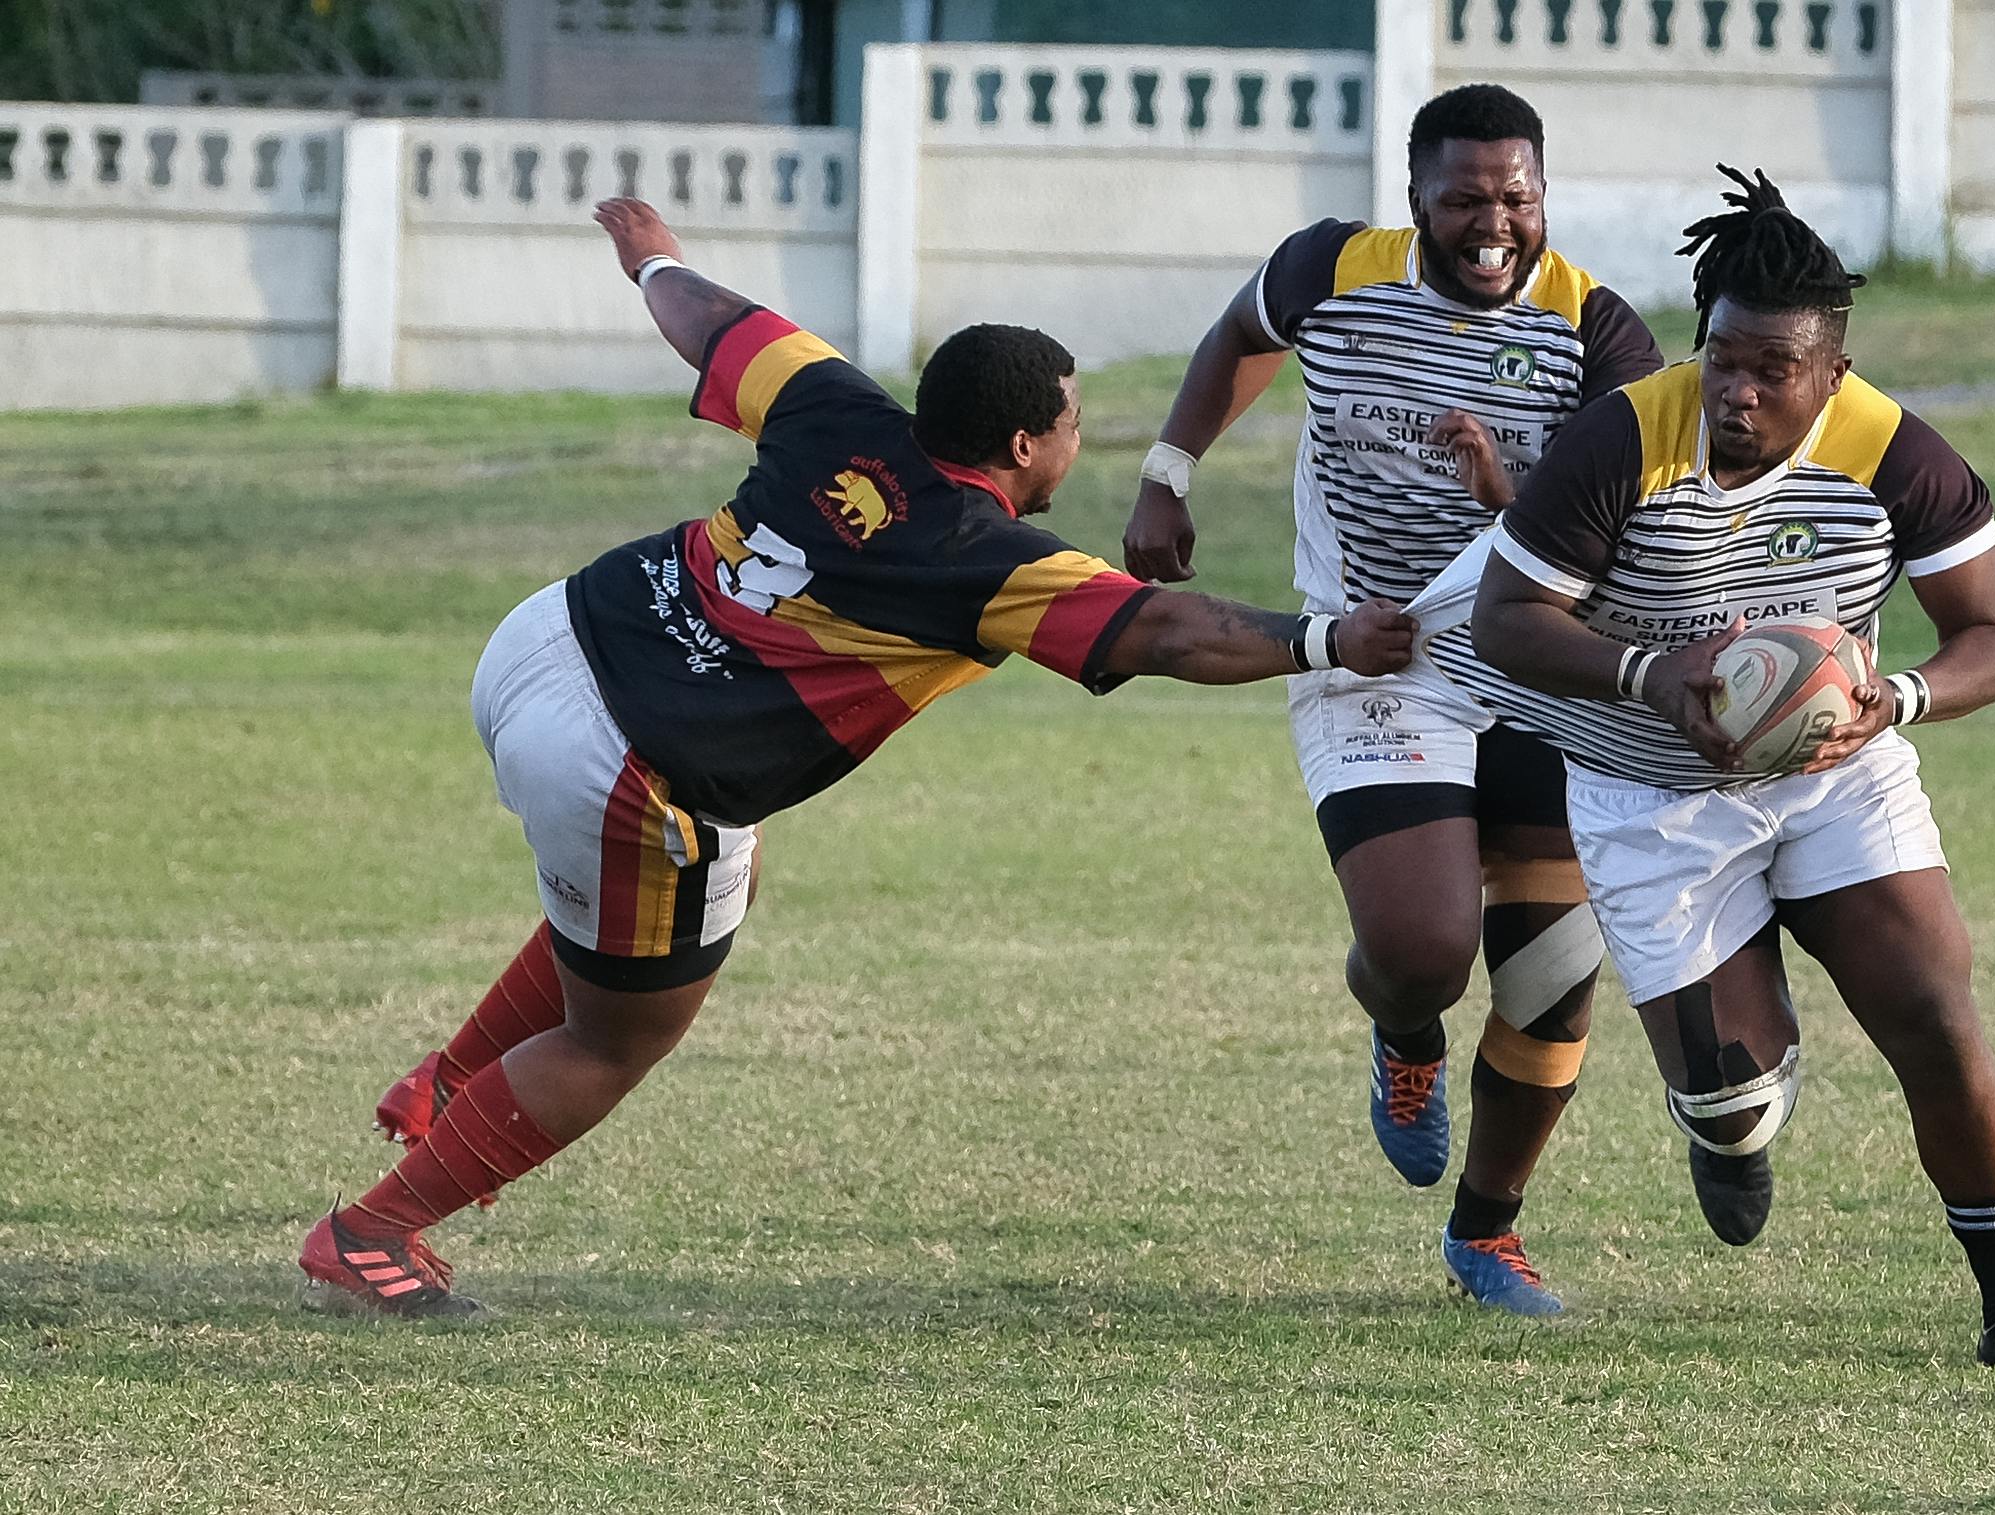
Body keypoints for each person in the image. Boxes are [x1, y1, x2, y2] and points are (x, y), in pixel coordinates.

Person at [298, 197, 1417, 1318]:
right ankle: (374, 1231)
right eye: (1077, 420)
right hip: (627, 763)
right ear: (1029, 446)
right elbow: (1172, 631)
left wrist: (649, 259)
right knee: (616, 1036)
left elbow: (713, 320)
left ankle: (449, 1087)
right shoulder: (993, 558)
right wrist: (1324, 640)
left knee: (694, 886)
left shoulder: (834, 401)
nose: (1083, 437)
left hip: (549, 635)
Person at [1444, 167, 1995, 1369]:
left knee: (1933, 1013)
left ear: (1834, 372)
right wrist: (1658, 678)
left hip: (1832, 777)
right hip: (1650, 795)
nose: (1740, 392)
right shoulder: (1623, 438)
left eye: (1775, 370)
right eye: (1724, 359)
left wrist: (1893, 698)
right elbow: (1506, 621)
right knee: (1734, 1099)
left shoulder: (1897, 455)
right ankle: (1728, 1125)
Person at [1121, 84, 1665, 1316]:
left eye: (1517, 198)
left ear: (1545, 197)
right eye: (1465, 197)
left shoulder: (1600, 332)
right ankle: (1405, 1037)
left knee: (1551, 973)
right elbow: (1236, 339)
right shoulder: (1331, 269)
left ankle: (1488, 1236)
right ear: (1415, 196)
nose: (1493, 224)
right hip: (1379, 653)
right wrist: (1168, 474)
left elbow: (1624, 525)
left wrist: (1507, 489)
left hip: (1534, 661)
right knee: (1425, 951)